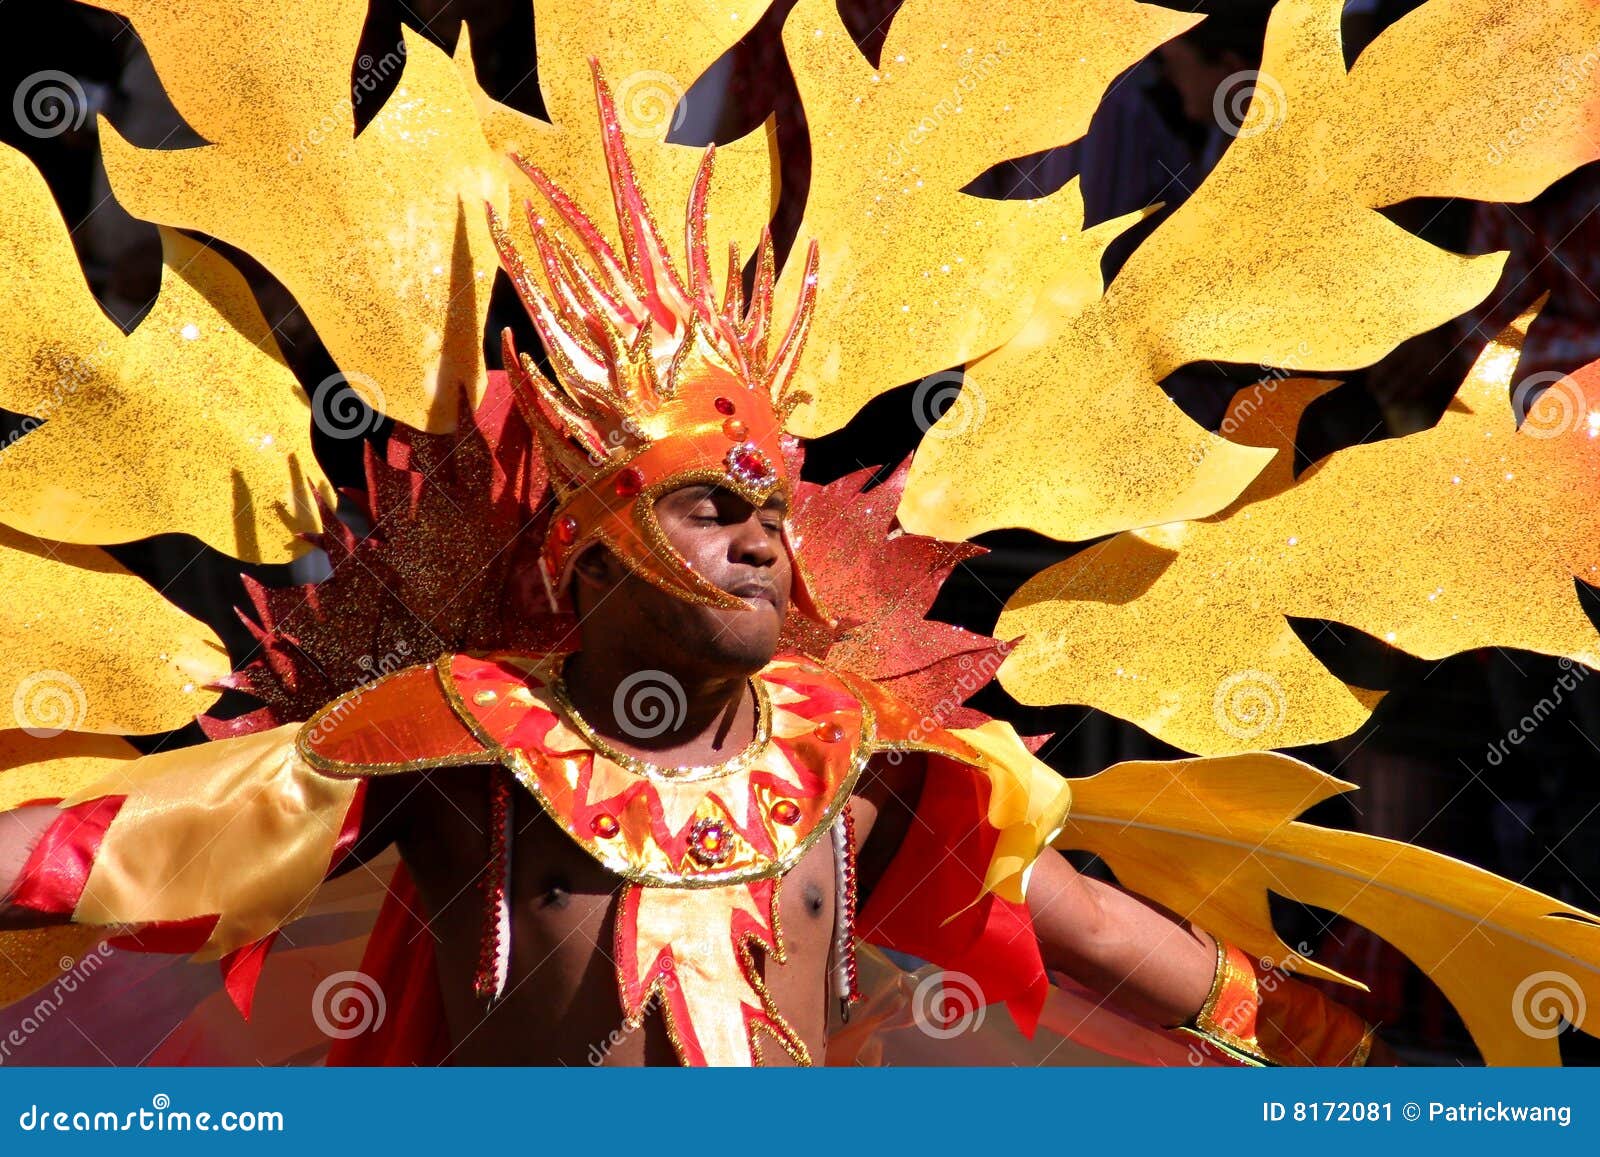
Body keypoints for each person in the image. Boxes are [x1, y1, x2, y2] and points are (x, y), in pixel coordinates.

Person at [0, 74, 1386, 1069]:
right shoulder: (463, 733)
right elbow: (116, 842)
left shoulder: (853, 750)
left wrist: (1312, 1039)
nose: (761, 539)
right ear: (592, 542)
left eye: (772, 508)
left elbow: (1060, 913)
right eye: (712, 505)